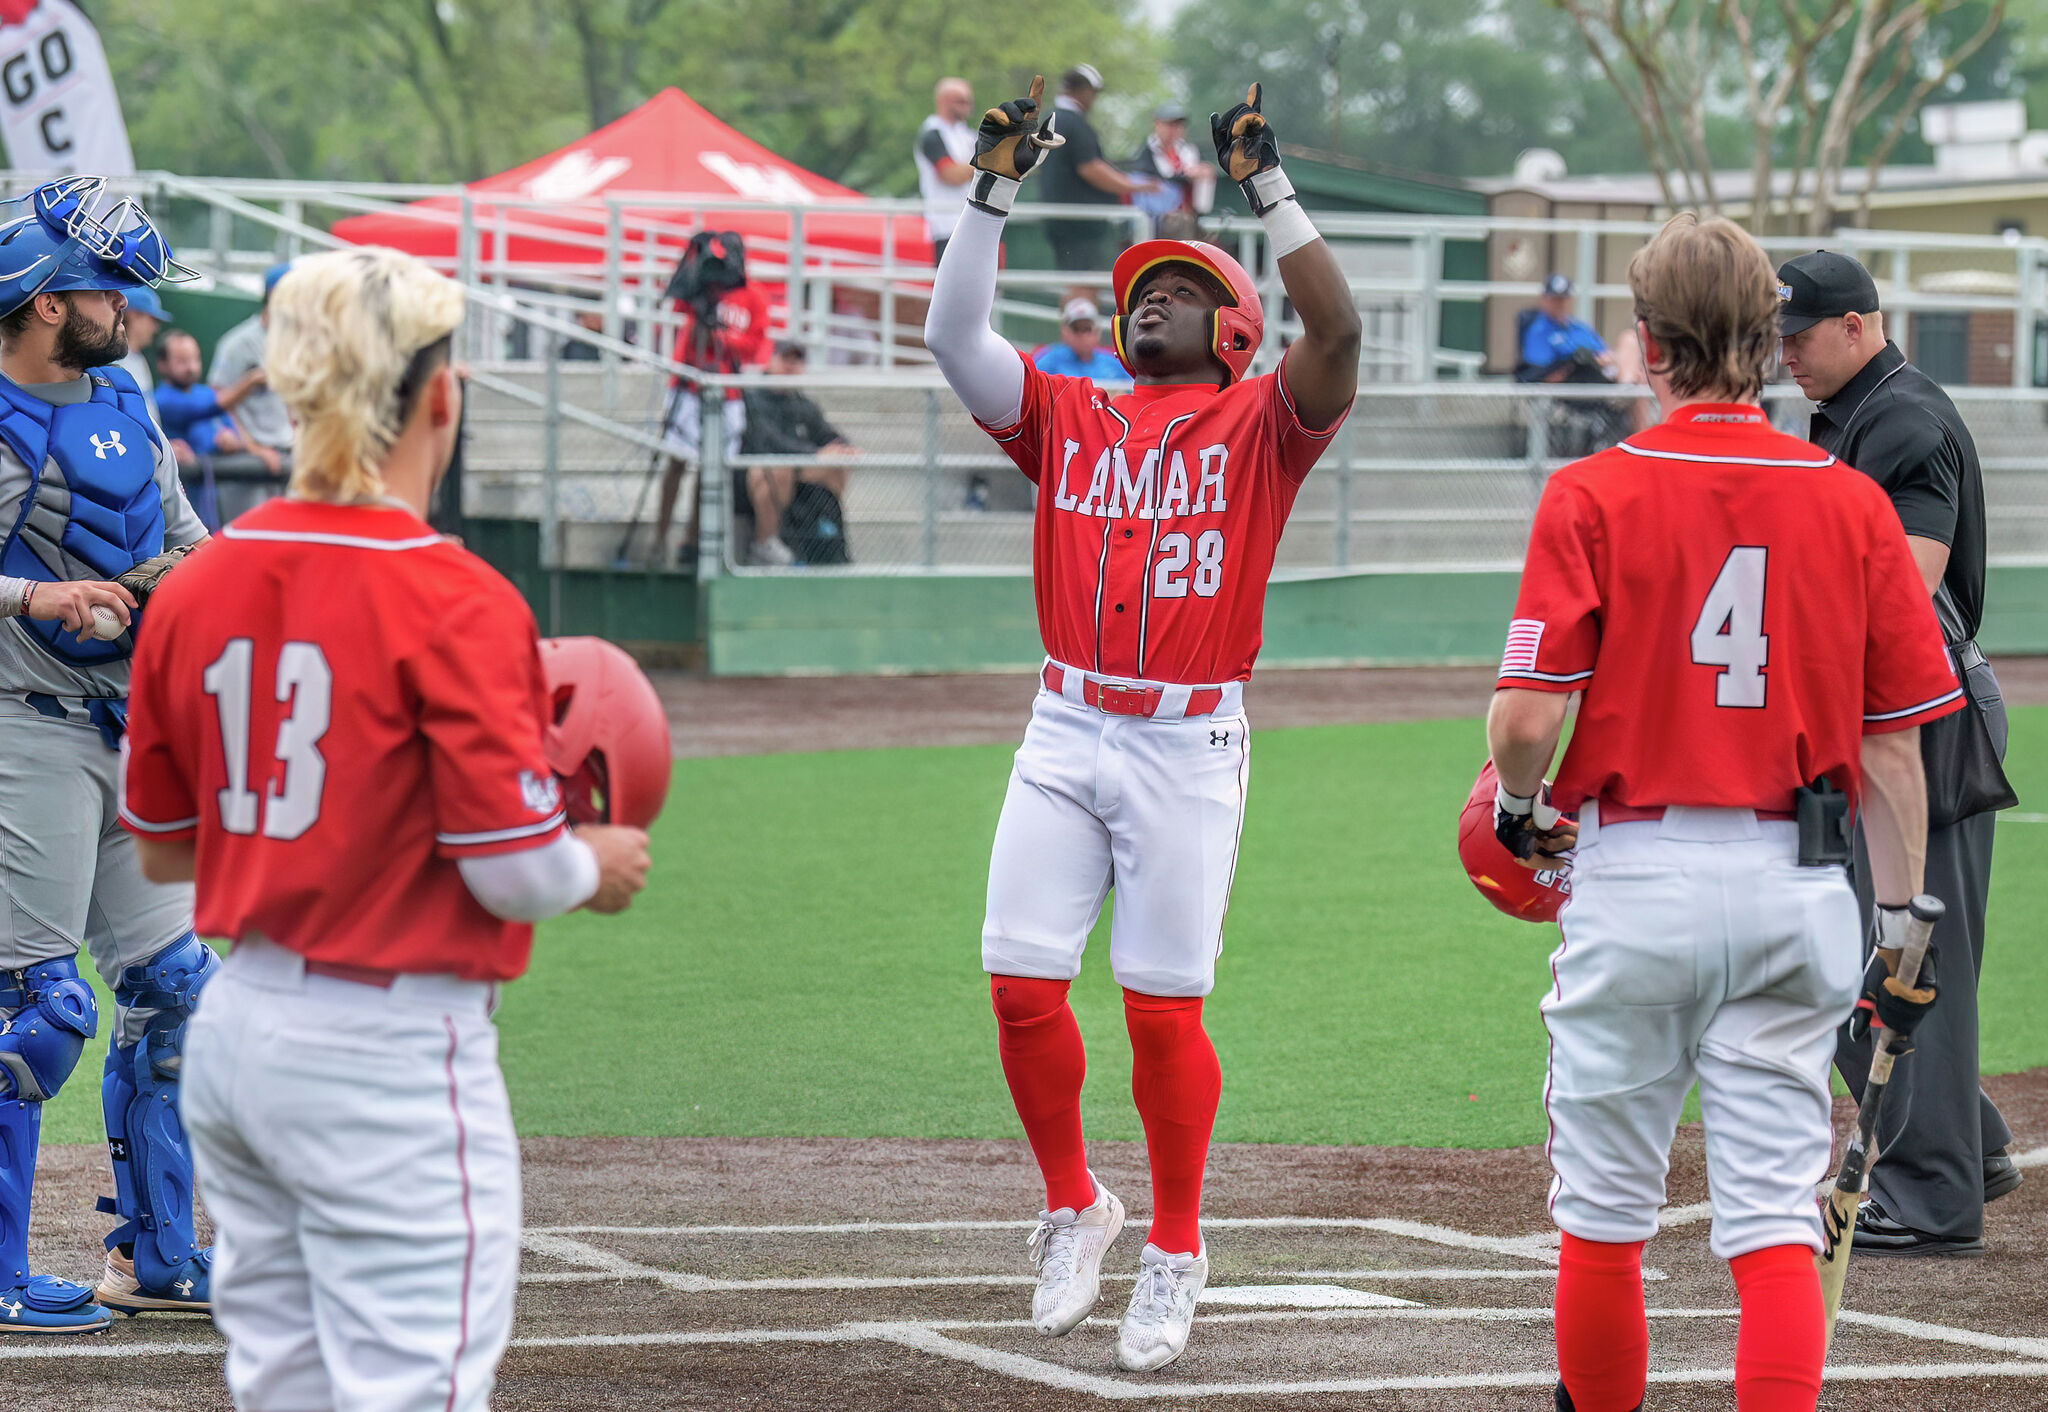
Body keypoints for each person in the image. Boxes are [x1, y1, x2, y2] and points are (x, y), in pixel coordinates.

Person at [119, 246, 652, 1409]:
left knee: (285, 1383)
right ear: (441, 396)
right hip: (388, 1054)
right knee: (414, 1389)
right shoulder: (456, 592)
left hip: (238, 1031)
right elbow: (512, 872)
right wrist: (592, 862)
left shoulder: (196, 583)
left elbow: (165, 846)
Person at [1486, 213, 1962, 1412]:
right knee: (1766, 1218)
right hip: (1791, 883)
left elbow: (1525, 723)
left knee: (1601, 1211)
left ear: (1646, 344)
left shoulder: (1590, 489)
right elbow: (1892, 743)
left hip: (1633, 874)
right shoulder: (1849, 501)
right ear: (1767, 338)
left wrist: (1517, 807)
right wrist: (1903, 917)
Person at [925, 78, 1359, 1373]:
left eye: (1180, 285)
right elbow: (956, 336)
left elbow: (1335, 332)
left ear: (1235, 332)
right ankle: (1076, 1204)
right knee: (1017, 984)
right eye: (1138, 287)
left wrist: (1264, 190)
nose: (1147, 294)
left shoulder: (1262, 422)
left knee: (1163, 1010)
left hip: (1185, 740)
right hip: (1065, 726)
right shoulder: (1068, 413)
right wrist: (991, 189)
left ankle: (1175, 1243)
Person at [0, 175, 216, 1332]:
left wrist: (179, 579)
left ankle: (161, 1255)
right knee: (35, 1011)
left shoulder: (125, 398)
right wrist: (40, 590)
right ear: (44, 299)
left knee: (179, 994)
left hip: (126, 733)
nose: (129, 308)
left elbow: (186, 540)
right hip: (18, 727)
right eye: (108, 289)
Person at [1777, 249, 2020, 1257]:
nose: (1780, 354)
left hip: (1928, 713)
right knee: (1828, 947)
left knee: (1909, 954)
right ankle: (1973, 1142)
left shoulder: (1906, 421)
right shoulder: (1848, 409)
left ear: (1854, 324)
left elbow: (1902, 589)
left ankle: (1928, 1196)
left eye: (1795, 335)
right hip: (1872, 708)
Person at [651, 232, 770, 564]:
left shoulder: (754, 296)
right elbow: (675, 299)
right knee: (676, 460)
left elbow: (754, 345)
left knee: (710, 468)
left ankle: (693, 542)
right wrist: (691, 258)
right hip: (689, 384)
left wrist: (722, 336)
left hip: (727, 388)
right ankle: (659, 538)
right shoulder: (702, 288)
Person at [739, 340, 857, 565]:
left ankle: (826, 532)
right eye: (785, 358)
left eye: (797, 360)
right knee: (777, 469)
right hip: (750, 479)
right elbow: (768, 443)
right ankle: (764, 544)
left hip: (798, 478)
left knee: (836, 464)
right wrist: (815, 456)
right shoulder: (753, 399)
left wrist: (843, 447)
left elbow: (827, 434)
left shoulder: (803, 404)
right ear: (770, 360)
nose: (791, 365)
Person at [1035, 65, 1158, 275]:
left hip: (1066, 219)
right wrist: (1133, 186)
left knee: (1073, 281)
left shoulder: (1054, 118)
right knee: (1084, 282)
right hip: (1080, 223)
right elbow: (1090, 168)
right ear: (1084, 91)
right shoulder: (1073, 122)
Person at [207, 261, 294, 457]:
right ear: (273, 294)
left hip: (287, 451)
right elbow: (216, 401)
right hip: (249, 459)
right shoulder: (238, 343)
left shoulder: (296, 341)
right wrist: (250, 446)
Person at [155, 329, 273, 462]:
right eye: (182, 361)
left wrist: (233, 441)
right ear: (162, 365)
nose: (191, 368)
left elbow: (235, 431)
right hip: (185, 480)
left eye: (195, 359)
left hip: (219, 478)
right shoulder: (162, 399)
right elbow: (216, 405)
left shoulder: (206, 392)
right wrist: (252, 380)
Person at [1129, 105, 1216, 239]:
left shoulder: (1188, 151)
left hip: (1190, 214)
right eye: (1169, 124)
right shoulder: (1146, 152)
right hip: (1157, 217)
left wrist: (1202, 171)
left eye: (1179, 125)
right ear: (1157, 124)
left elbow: (1201, 175)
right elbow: (1151, 182)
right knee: (1179, 224)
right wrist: (1185, 175)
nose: (1174, 130)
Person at [916, 77, 977, 265]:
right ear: (942, 101)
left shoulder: (967, 134)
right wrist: (989, 165)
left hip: (975, 222)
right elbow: (950, 174)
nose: (966, 106)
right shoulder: (931, 134)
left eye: (968, 101)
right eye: (960, 100)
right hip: (946, 224)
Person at [1516, 273, 1615, 382]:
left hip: (1598, 382)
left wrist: (1599, 360)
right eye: (1554, 299)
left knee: (1628, 341)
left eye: (1563, 299)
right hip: (1566, 390)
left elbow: (1605, 354)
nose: (1559, 304)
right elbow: (1542, 372)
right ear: (1544, 300)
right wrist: (1574, 363)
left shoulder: (1581, 328)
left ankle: (1626, 389)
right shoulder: (1538, 330)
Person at [1031, 297, 1127, 381]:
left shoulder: (1112, 362)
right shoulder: (1049, 361)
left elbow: (1132, 389)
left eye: (1087, 329)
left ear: (1097, 332)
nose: (1083, 335)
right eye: (1076, 329)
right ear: (1065, 331)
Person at [116, 283, 166, 394]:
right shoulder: (113, 361)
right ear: (134, 315)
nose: (155, 328)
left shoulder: (139, 358)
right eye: (153, 320)